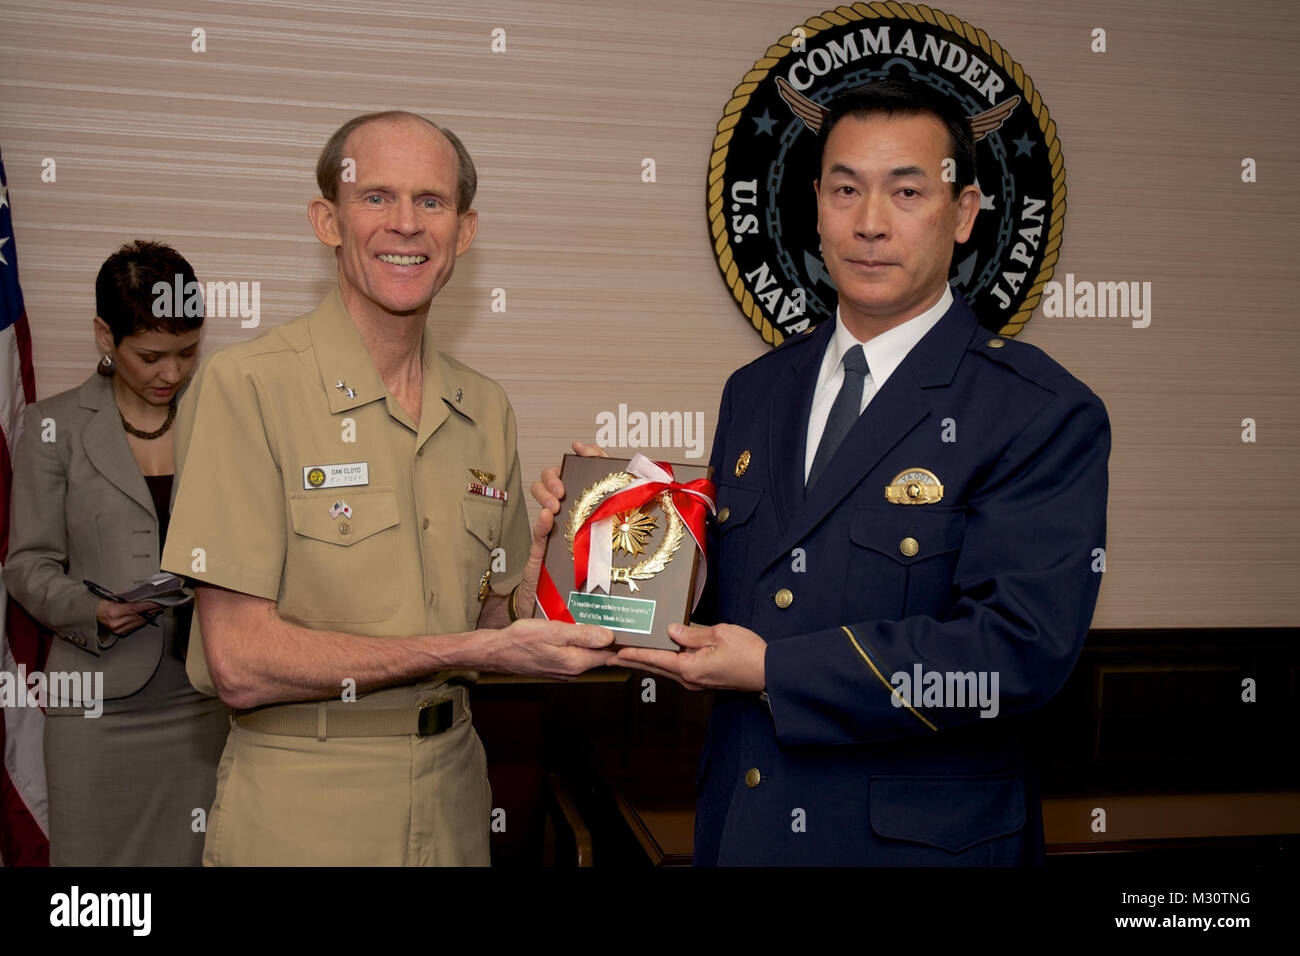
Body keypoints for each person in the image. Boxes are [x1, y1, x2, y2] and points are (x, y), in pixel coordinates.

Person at [535, 79, 1111, 865]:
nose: (870, 223)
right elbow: (739, 593)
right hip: (745, 831)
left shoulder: (1037, 410)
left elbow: (1015, 654)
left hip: (918, 849)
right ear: (815, 204)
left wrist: (778, 669)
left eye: (906, 191)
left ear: (966, 212)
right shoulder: (758, 390)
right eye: (846, 189)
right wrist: (593, 543)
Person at [159, 110, 614, 866]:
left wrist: (547, 567)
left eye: (431, 202)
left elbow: (495, 623)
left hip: (457, 797)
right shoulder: (250, 387)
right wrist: (467, 645)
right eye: (375, 198)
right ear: (327, 220)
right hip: (304, 803)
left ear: (464, 232)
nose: (405, 224)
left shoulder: (484, 408)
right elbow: (239, 661)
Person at [5, 239, 229, 865]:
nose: (172, 373)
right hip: (94, 707)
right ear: (106, 336)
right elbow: (26, 564)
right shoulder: (54, 429)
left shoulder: (224, 419)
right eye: (151, 356)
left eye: (188, 352)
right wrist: (90, 611)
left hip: (203, 696)